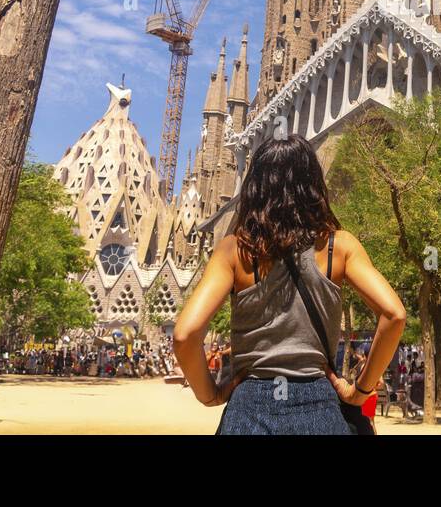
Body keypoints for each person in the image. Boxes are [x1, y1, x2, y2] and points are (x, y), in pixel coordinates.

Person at [174, 135, 406, 434]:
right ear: (313, 185)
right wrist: (359, 391)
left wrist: (210, 394)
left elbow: (184, 334)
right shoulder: (340, 246)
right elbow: (395, 314)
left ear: (255, 186)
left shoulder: (234, 251)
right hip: (319, 405)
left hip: (249, 406)